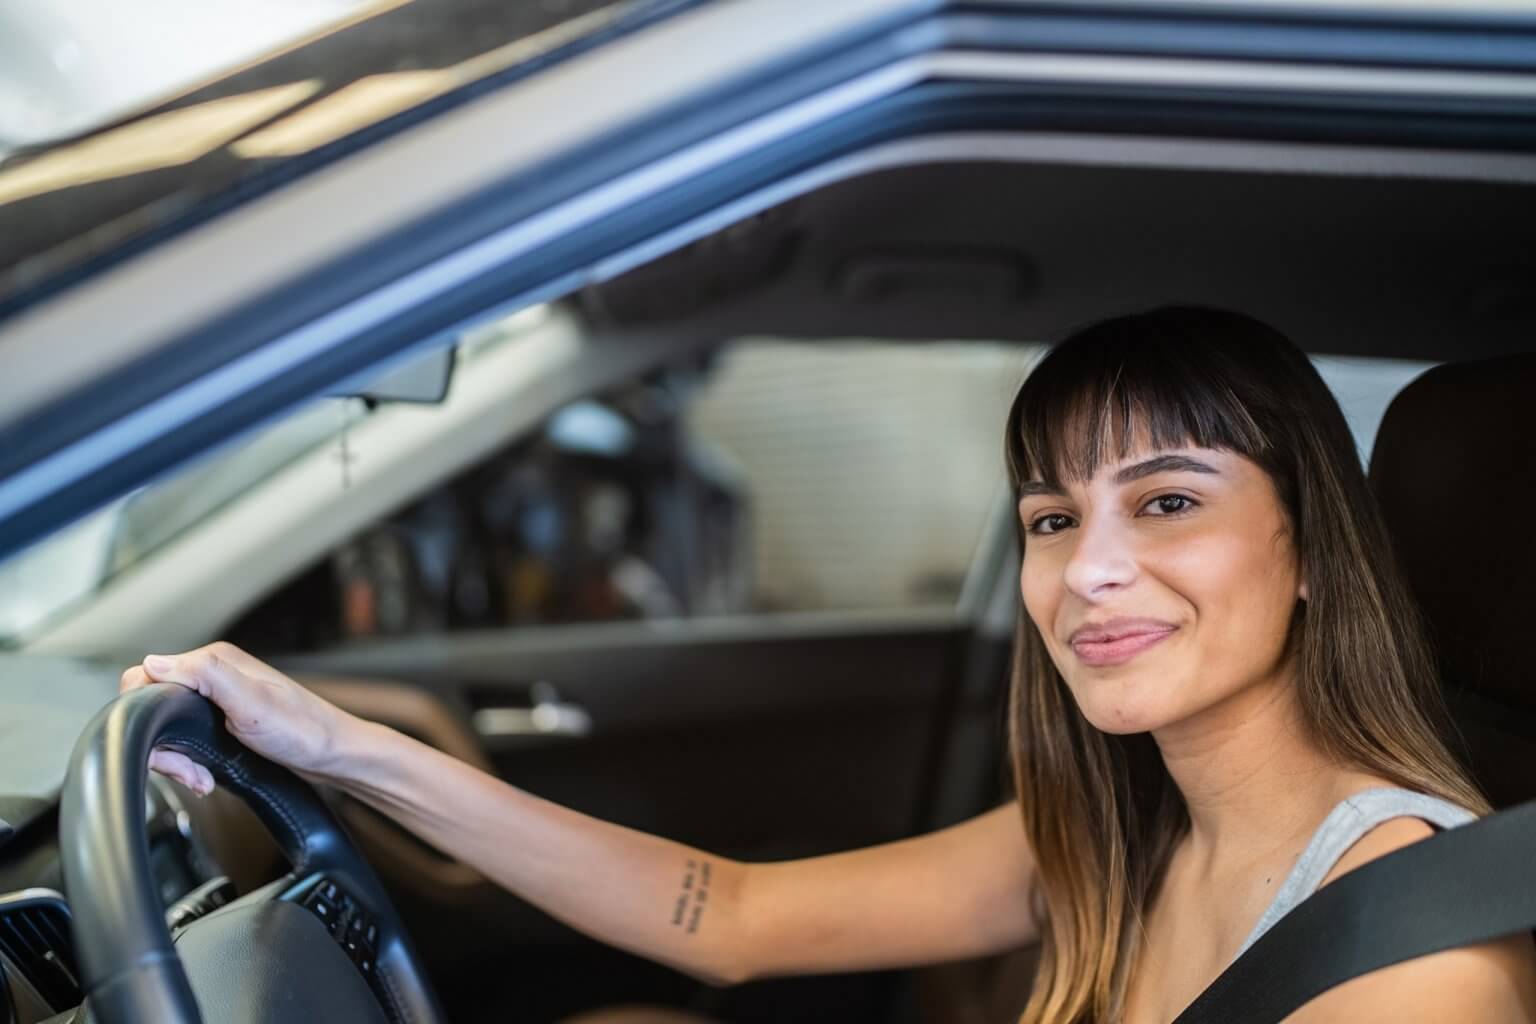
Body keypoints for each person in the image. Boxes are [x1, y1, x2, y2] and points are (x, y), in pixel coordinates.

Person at [122, 308, 1536, 1023]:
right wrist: (335, 750)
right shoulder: (1127, 828)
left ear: (1308, 552)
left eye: (1167, 501)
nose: (1086, 570)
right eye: (1052, 519)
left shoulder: (1412, 967)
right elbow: (722, 914)